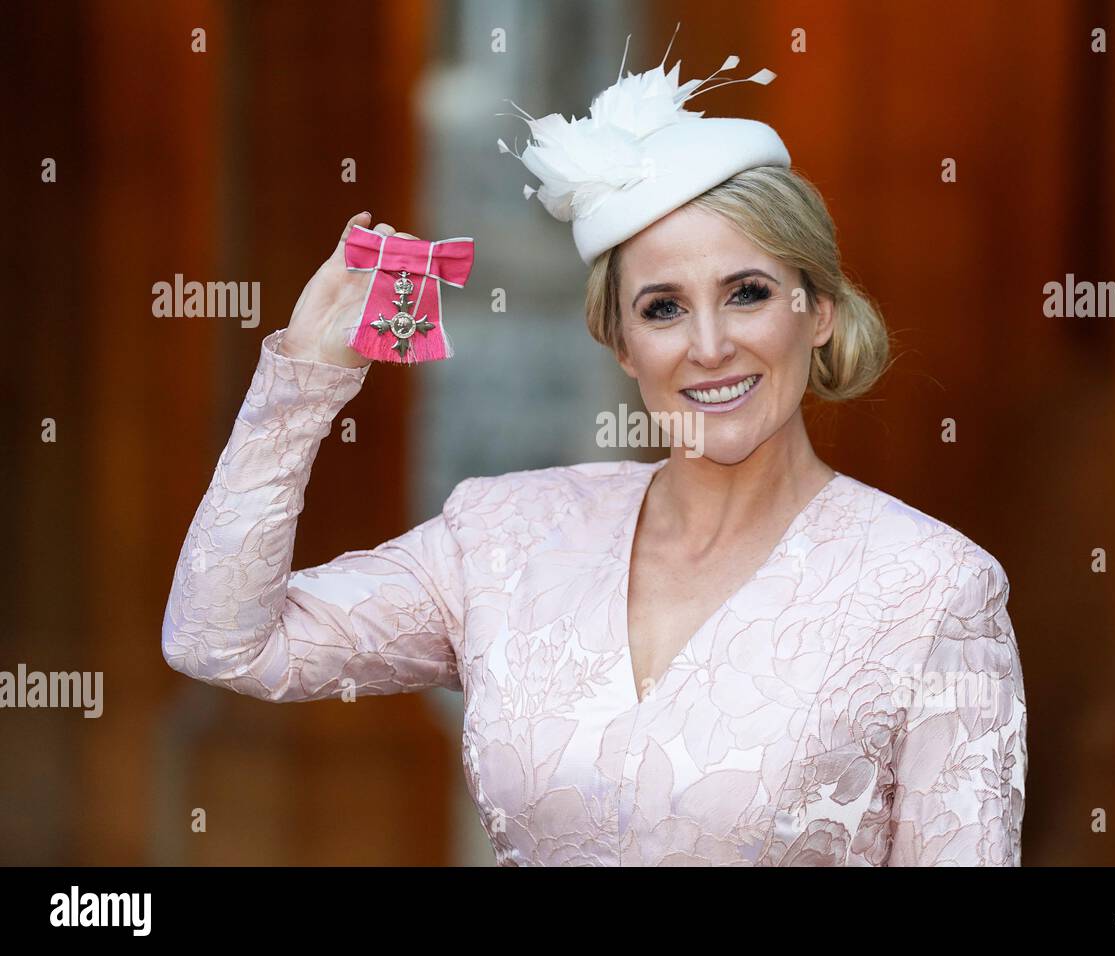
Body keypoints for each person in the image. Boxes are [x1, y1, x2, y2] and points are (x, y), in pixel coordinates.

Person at [162, 31, 1026, 866]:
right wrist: (302, 382)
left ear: (820, 310)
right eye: (663, 308)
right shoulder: (504, 536)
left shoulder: (937, 590)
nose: (711, 344)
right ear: (621, 343)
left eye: (749, 293)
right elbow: (222, 639)